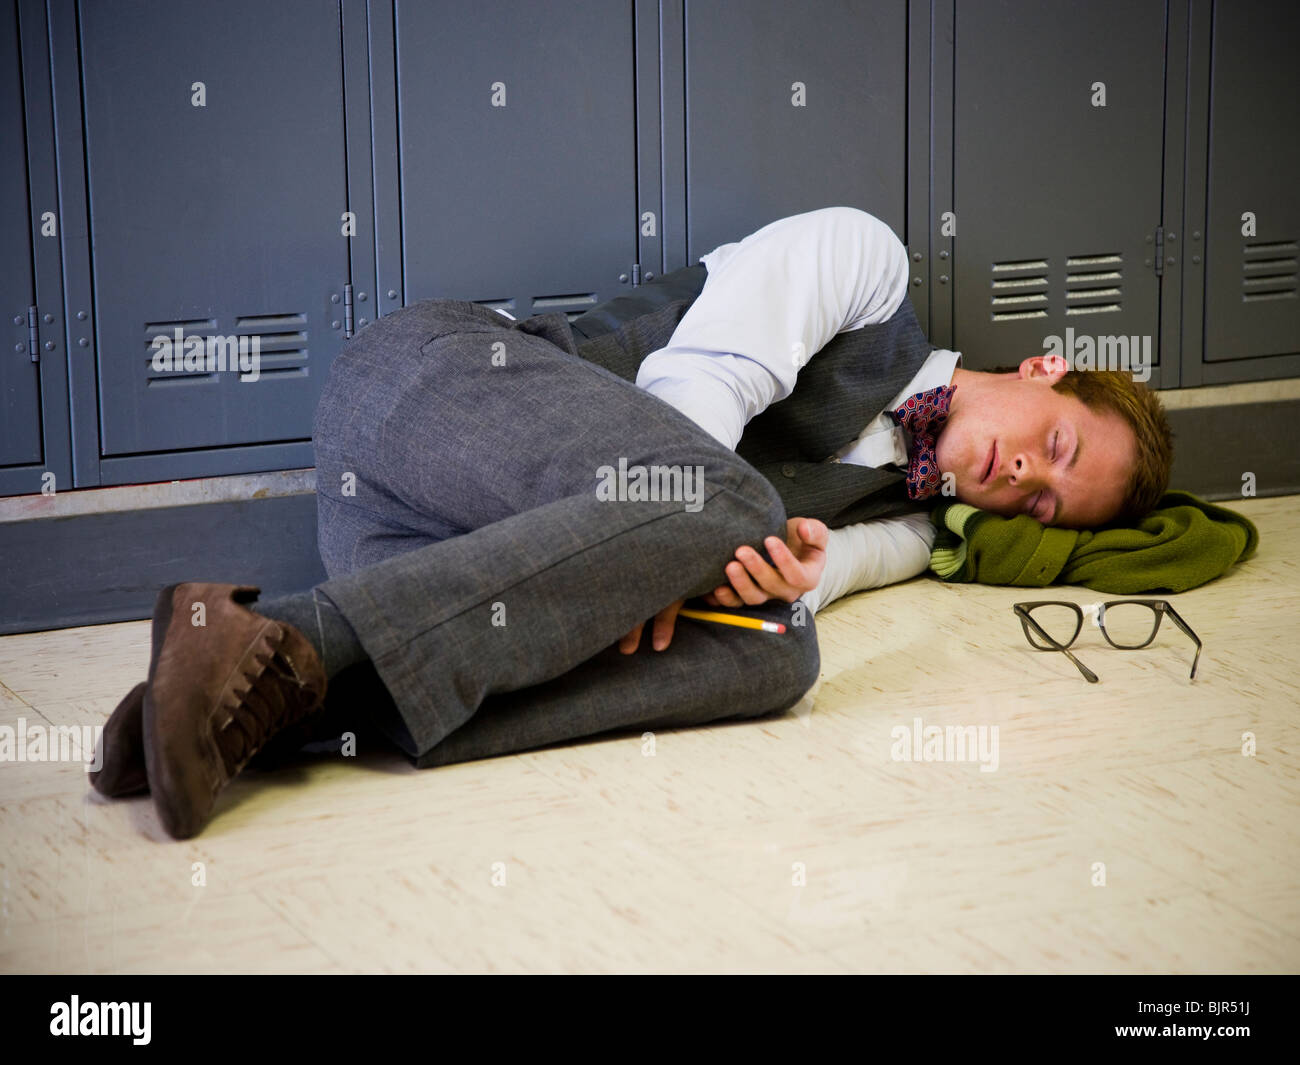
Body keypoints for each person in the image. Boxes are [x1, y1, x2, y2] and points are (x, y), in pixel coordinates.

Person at [89, 207, 1173, 838]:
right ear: (1048, 370)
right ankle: (294, 649)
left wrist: (772, 580)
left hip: (417, 558)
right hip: (431, 392)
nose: (1026, 473)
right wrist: (675, 559)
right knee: (723, 496)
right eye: (1058, 444)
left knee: (780, 659)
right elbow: (694, 387)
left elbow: (823, 572)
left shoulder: (914, 522)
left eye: (1042, 501)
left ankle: (262, 679)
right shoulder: (868, 266)